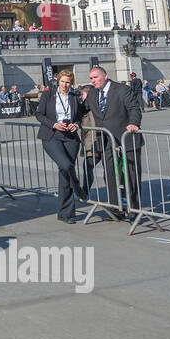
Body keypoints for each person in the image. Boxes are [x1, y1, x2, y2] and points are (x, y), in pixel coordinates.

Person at [85, 66, 144, 216]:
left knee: (131, 174)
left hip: (127, 137)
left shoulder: (122, 89)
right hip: (106, 140)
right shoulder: (92, 93)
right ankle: (115, 206)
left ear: (105, 76)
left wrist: (134, 123)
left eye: (95, 77)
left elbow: (134, 108)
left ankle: (133, 209)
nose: (93, 81)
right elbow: (81, 110)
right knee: (110, 172)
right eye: (91, 78)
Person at [35, 70, 89, 222]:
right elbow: (39, 115)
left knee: (65, 174)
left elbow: (79, 117)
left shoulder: (74, 97)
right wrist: (54, 124)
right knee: (66, 165)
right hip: (52, 135)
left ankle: (66, 214)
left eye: (68, 82)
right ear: (58, 81)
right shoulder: (48, 95)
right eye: (63, 82)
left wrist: (76, 125)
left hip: (70, 137)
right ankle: (78, 188)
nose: (65, 85)